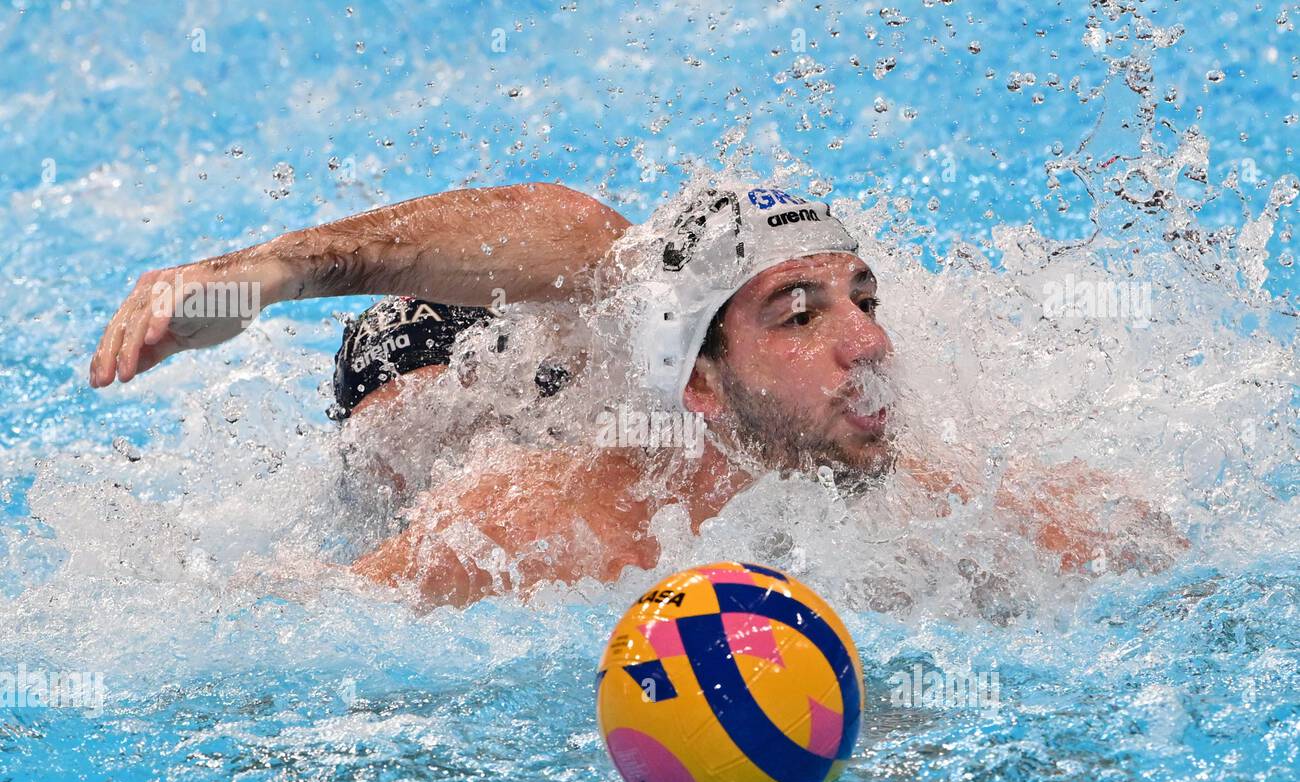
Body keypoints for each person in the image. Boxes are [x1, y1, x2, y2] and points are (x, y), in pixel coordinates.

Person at [90, 179, 1186, 609]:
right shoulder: (522, 522)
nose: (868, 341)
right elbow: (276, 625)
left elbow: (1168, 561)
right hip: (460, 364)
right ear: (706, 380)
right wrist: (261, 279)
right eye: (802, 312)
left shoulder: (925, 494)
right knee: (442, 387)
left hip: (640, 369)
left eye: (862, 296)